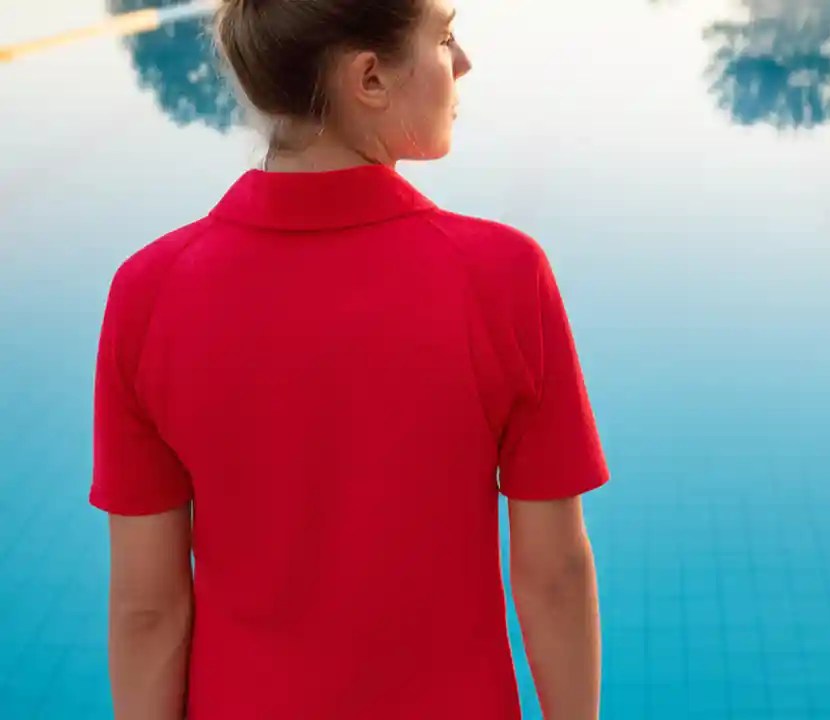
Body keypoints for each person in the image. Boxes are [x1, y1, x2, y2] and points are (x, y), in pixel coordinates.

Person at [89, 1, 609, 718]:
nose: (463, 64)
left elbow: (147, 608)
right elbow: (552, 577)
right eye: (445, 38)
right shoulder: (501, 278)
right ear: (368, 79)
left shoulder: (149, 293)